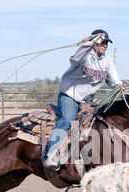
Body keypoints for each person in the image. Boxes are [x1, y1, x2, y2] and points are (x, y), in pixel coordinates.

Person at [42, 29, 123, 170]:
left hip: (87, 101)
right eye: (102, 42)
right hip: (70, 95)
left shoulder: (108, 61)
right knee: (67, 119)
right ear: (95, 43)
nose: (105, 45)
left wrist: (120, 86)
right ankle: (51, 154)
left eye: (106, 43)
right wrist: (89, 44)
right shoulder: (84, 56)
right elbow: (74, 59)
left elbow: (114, 81)